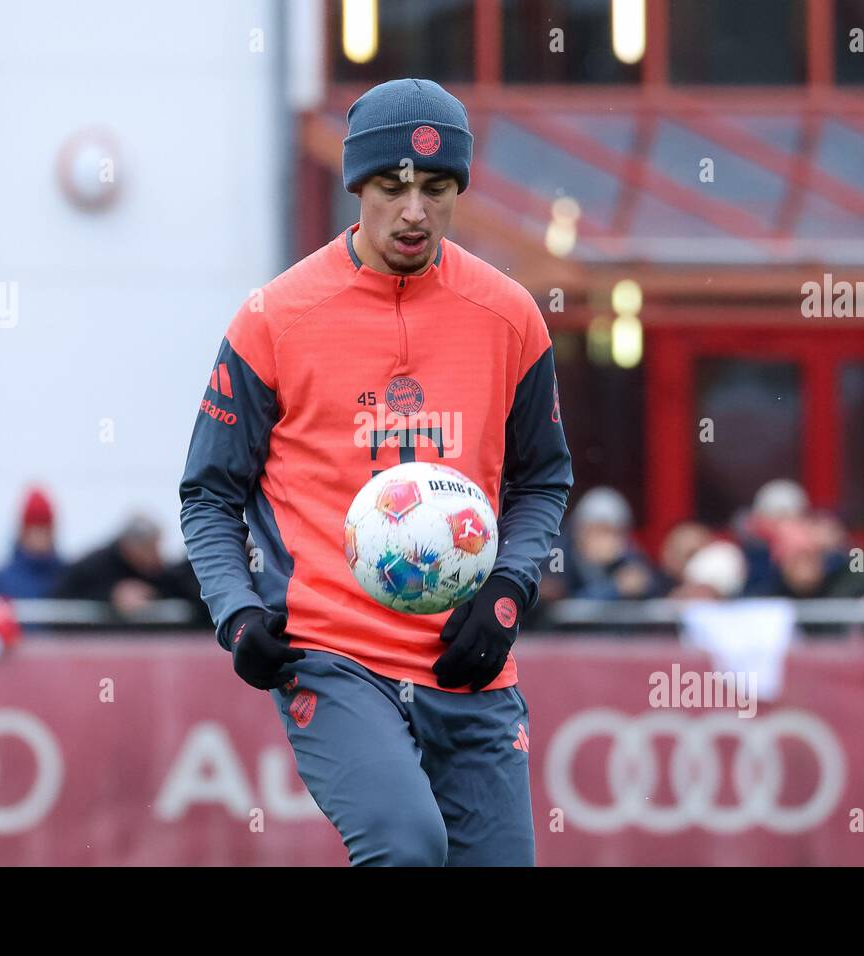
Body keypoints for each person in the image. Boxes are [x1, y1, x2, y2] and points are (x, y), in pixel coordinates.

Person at [179, 78, 572, 867]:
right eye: (392, 188)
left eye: (436, 187)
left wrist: (506, 594)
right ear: (358, 185)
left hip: (469, 661)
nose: (414, 210)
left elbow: (542, 480)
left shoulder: (509, 316)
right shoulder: (274, 318)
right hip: (331, 655)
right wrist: (239, 616)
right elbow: (209, 493)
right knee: (406, 848)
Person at [54, 515, 208, 623]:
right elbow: (62, 596)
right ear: (130, 547)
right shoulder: (94, 565)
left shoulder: (160, 572)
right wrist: (112, 596)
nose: (156, 555)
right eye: (149, 548)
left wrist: (154, 594)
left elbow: (188, 594)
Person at [566, 487, 660, 600]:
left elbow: (653, 590)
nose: (605, 539)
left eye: (612, 532)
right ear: (580, 532)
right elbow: (562, 602)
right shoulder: (562, 557)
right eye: (598, 530)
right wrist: (614, 587)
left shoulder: (630, 556)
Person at [0, 487, 66, 599]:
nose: (41, 536)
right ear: (22, 532)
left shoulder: (67, 577)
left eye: (46, 529)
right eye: (35, 529)